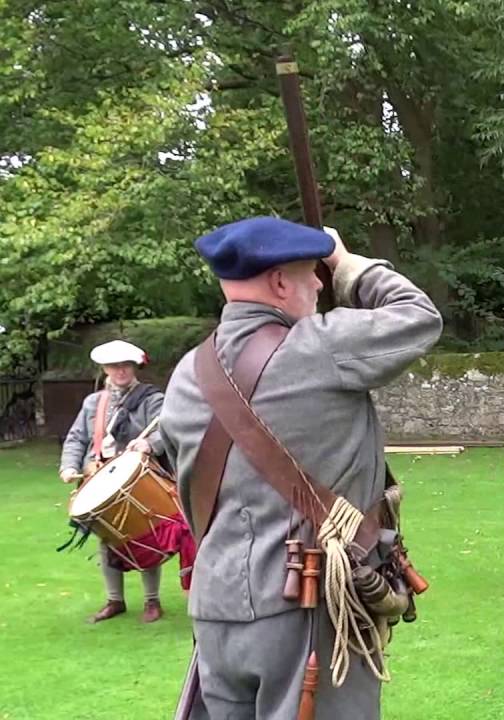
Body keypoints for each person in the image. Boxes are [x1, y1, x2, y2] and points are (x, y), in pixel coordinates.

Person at [158, 217, 442, 718]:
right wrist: (346, 262)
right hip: (305, 605)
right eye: (312, 272)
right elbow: (419, 315)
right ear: (279, 282)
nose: (319, 283)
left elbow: (190, 494)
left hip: (216, 607)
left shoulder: (187, 372)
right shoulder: (320, 345)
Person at [59, 340, 169, 623]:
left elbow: (169, 428)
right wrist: (70, 466)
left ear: (134, 367)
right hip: (97, 474)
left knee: (144, 536)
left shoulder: (150, 399)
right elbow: (77, 437)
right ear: (105, 369)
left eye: (125, 365)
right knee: (107, 538)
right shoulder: (94, 402)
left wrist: (149, 445)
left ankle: (151, 601)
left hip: (135, 475)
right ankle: (114, 600)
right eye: (113, 366)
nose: (120, 371)